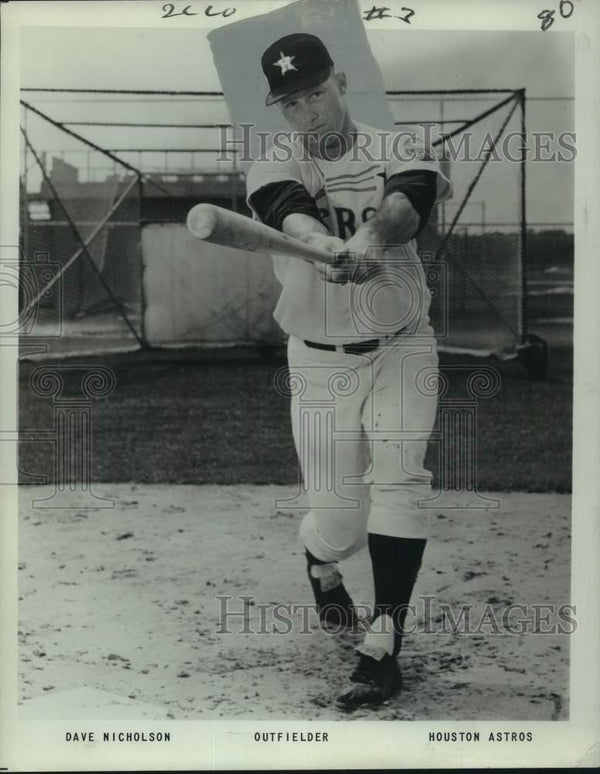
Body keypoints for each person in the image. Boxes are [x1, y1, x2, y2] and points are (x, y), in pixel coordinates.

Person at [246, 33, 452, 709]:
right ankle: (319, 556)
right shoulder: (271, 162)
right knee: (341, 523)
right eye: (290, 102)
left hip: (401, 345)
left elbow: (406, 204)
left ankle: (383, 643)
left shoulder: (401, 144)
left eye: (314, 92)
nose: (306, 111)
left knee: (402, 481)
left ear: (338, 81)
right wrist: (327, 245)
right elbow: (291, 217)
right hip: (319, 360)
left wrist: (367, 240)